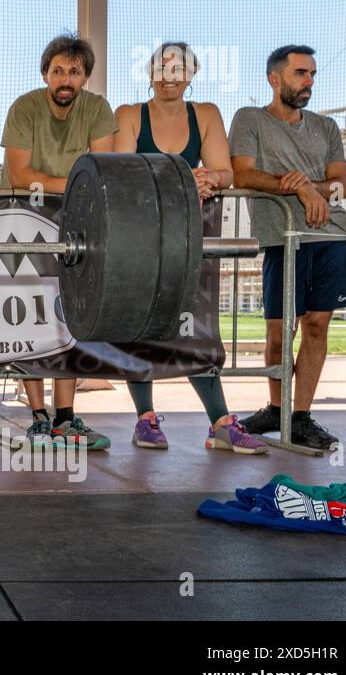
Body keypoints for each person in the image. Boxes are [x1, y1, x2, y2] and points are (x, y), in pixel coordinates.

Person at [113, 43, 266, 454]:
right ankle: (145, 420)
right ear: (149, 73)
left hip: (189, 237)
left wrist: (205, 178)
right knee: (140, 323)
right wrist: (185, 176)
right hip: (142, 238)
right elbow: (125, 172)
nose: (169, 76)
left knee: (195, 325)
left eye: (178, 69)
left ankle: (220, 422)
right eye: (162, 68)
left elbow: (226, 173)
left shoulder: (207, 114)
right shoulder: (129, 115)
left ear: (190, 76)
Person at [229, 45, 346, 451]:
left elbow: (341, 186)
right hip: (282, 237)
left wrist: (309, 189)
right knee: (280, 329)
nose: (309, 82)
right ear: (274, 78)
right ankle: (275, 408)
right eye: (300, 73)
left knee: (318, 325)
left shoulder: (327, 127)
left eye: (312, 74)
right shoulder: (250, 119)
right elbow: (243, 173)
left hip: (331, 236)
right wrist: (299, 186)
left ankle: (300, 416)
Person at [0, 34, 116, 450]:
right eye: (58, 70)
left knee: (69, 315)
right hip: (22, 220)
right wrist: (75, 183)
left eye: (75, 71)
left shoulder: (98, 110)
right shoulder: (25, 107)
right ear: (45, 73)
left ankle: (66, 417)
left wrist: (74, 187)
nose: (66, 78)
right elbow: (18, 176)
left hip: (74, 223)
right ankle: (37, 417)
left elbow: (102, 169)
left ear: (85, 77)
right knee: (30, 317)